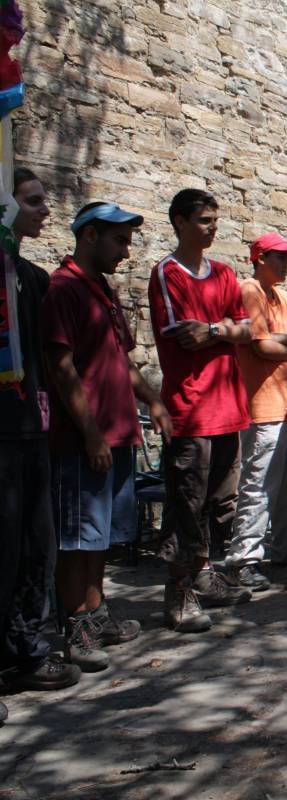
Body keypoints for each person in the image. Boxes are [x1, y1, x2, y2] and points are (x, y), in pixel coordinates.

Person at [42, 202, 172, 672]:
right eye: (119, 240)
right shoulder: (64, 290)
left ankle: (96, 611)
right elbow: (61, 368)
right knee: (77, 538)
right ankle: (75, 624)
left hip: (118, 436)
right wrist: (91, 434)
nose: (126, 250)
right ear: (90, 235)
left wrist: (153, 401)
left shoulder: (104, 291)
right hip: (83, 441)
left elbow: (122, 361)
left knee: (102, 539)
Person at [149, 188, 254, 633]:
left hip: (228, 405)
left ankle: (205, 574)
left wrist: (216, 329)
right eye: (204, 220)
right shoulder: (167, 274)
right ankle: (178, 592)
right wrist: (222, 331)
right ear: (179, 222)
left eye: (215, 220)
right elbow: (183, 334)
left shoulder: (226, 274)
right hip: (190, 408)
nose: (213, 228)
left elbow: (247, 330)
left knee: (220, 500)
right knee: (185, 503)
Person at [0, 168, 80, 711]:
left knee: (35, 545)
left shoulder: (32, 279)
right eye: (32, 202)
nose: (43, 211)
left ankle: (24, 646)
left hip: (30, 428)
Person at [224, 233, 287, 590]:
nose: (286, 264)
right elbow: (262, 347)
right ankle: (244, 557)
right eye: (280, 257)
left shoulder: (285, 297)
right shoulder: (249, 290)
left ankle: (284, 545)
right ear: (260, 258)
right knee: (258, 484)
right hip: (263, 406)